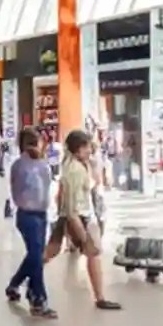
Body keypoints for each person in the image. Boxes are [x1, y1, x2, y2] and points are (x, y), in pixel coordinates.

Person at [45, 130, 121, 311]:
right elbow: (71, 205)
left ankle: (22, 279)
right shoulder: (74, 170)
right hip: (78, 216)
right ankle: (100, 297)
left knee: (50, 252)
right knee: (92, 253)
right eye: (86, 147)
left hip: (77, 215)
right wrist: (80, 231)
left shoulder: (79, 165)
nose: (90, 150)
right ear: (77, 149)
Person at [4, 126, 56, 318]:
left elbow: (48, 186)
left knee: (35, 256)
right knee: (36, 257)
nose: (35, 146)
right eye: (31, 143)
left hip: (42, 213)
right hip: (26, 214)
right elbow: (18, 188)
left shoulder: (44, 164)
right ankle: (38, 298)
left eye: (37, 142)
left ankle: (15, 283)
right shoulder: (19, 164)